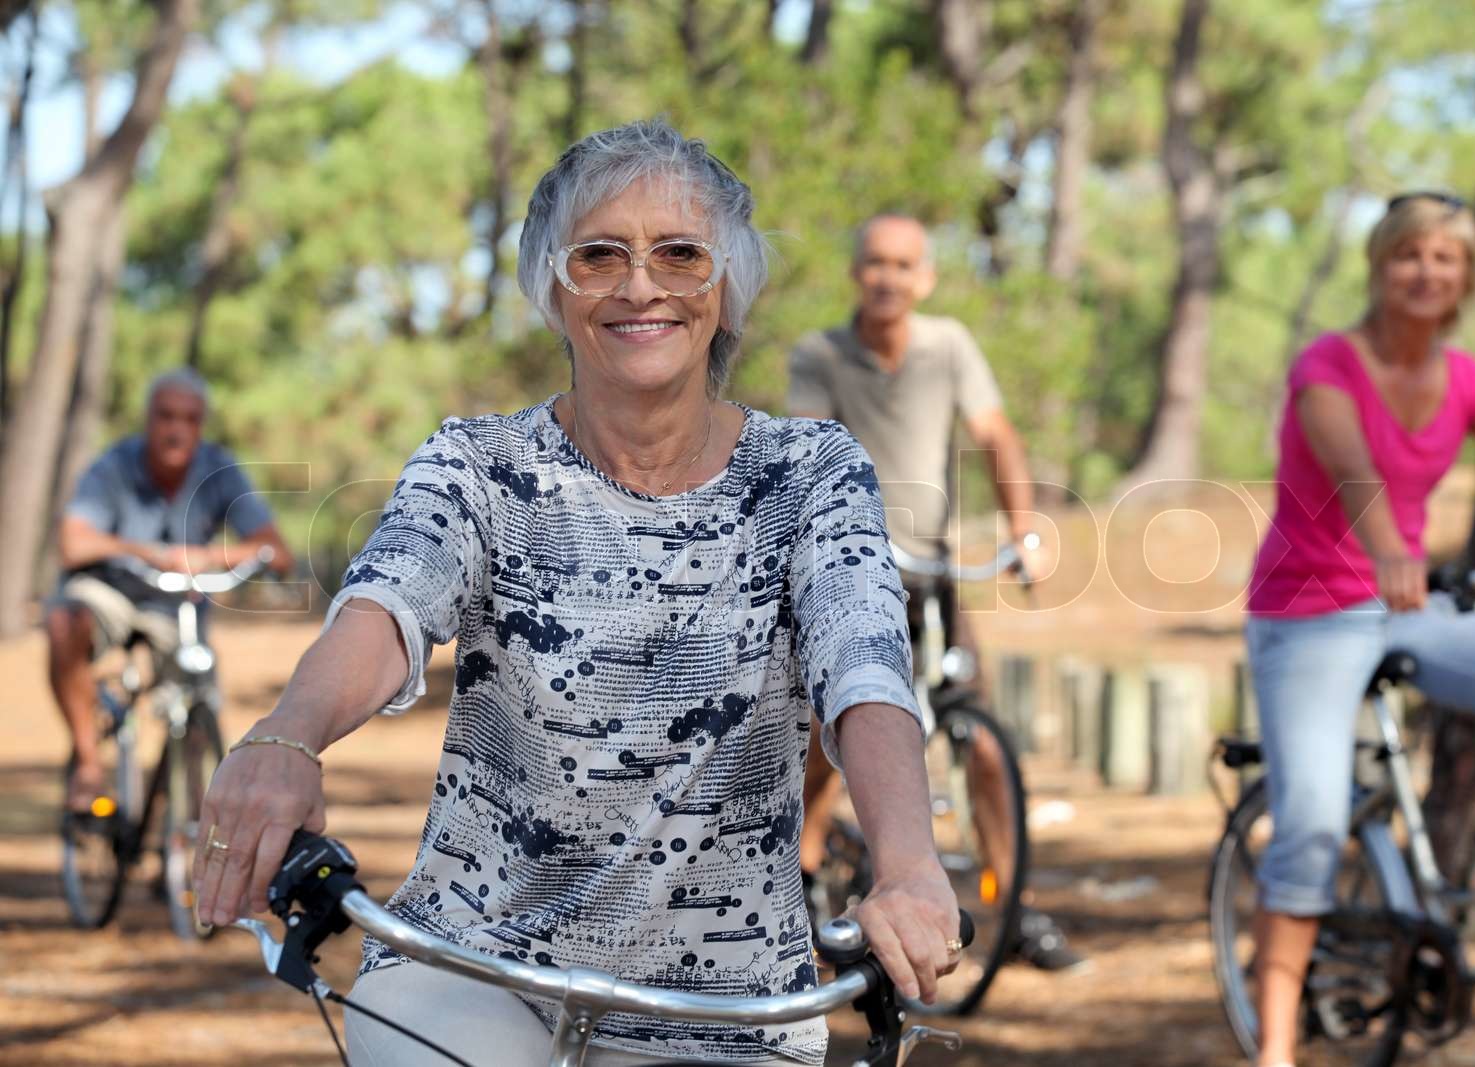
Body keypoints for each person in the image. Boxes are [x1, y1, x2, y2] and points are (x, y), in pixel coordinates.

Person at [194, 120, 959, 1067]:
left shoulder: (809, 472)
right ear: (554, 291)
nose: (641, 285)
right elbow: (388, 603)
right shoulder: (478, 464)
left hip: (731, 1004)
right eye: (600, 255)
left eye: (680, 254)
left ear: (725, 290)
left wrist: (910, 860)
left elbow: (865, 668)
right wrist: (287, 733)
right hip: (470, 964)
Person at [1244, 191, 1475, 1067]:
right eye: (1409, 254)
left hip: (1407, 604)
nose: (1425, 271)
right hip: (1310, 609)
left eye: (1444, 259)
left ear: (1465, 279)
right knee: (1315, 822)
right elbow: (1350, 463)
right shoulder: (1329, 363)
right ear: (1380, 265)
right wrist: (1390, 550)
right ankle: (1276, 1047)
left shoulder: (1467, 378)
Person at [786, 214, 1083, 973]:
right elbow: (807, 446)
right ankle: (801, 880)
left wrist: (1025, 528)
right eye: (875, 262)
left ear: (926, 278)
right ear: (857, 271)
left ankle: (1010, 900)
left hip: (937, 568)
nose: (889, 277)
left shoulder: (947, 345)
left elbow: (996, 433)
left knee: (979, 737)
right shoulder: (819, 355)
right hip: (852, 570)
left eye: (904, 264)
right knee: (835, 726)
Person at [47, 368, 293, 812]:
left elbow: (276, 549)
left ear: (201, 425)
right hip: (112, 593)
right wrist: (145, 551)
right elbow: (72, 542)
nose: (177, 429)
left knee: (198, 701)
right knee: (64, 621)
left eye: (190, 419)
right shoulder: (114, 466)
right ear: (148, 419)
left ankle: (185, 826)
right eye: (166, 416)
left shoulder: (220, 469)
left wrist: (208, 558)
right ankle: (87, 763)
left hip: (177, 608)